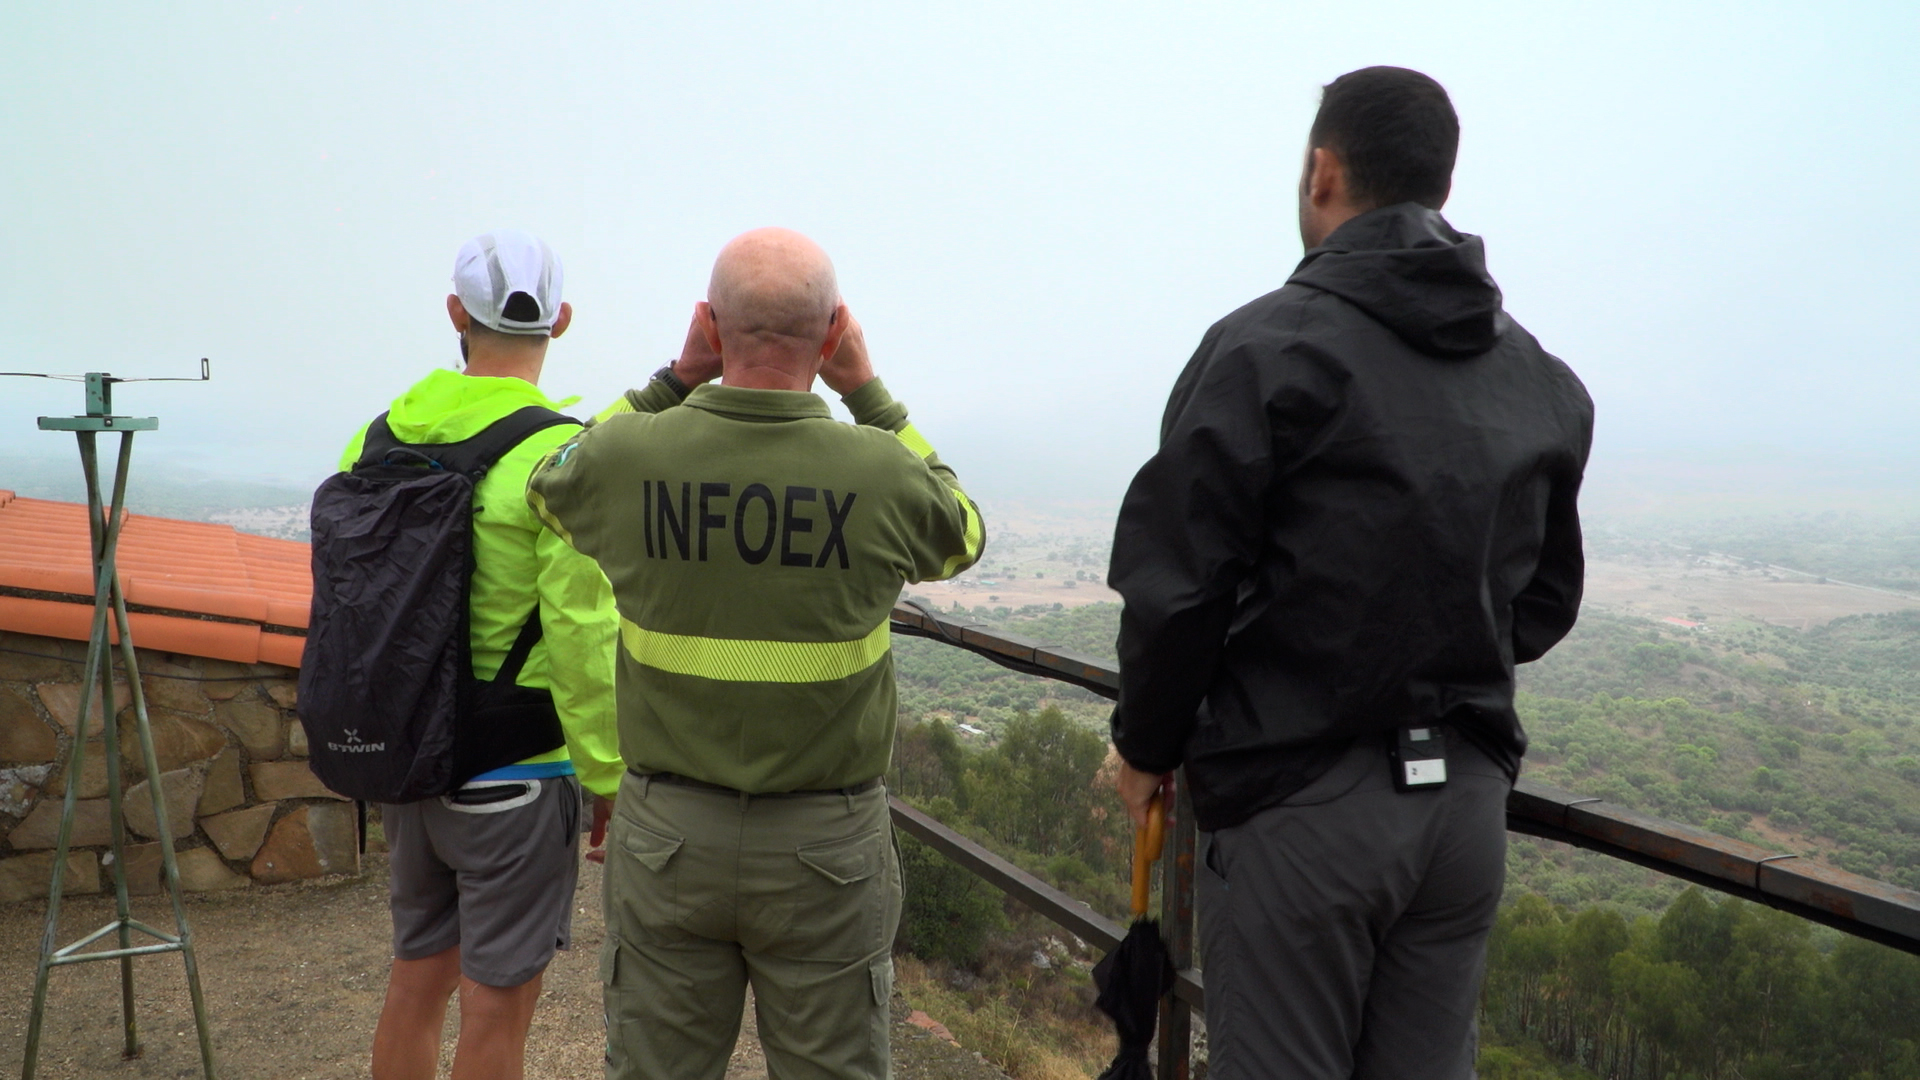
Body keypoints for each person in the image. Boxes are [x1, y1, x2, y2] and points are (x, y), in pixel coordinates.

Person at [1107, 67, 1594, 1080]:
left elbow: (1180, 587)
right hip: (1462, 812)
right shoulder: (1540, 377)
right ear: (1441, 186)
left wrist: (1145, 747)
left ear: (1323, 171)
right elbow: (1542, 605)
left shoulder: (1263, 350)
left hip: (1300, 810)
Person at [526, 227, 984, 1080]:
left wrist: (673, 378)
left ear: (708, 323)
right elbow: (962, 531)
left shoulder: (630, 456)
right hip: (827, 849)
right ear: (835, 330)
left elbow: (548, 480)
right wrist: (872, 395)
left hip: (667, 839)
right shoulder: (879, 471)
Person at [345, 231, 626, 1080]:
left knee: (416, 980)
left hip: (411, 762)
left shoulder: (380, 438)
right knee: (498, 1008)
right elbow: (583, 635)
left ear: (456, 314)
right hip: (520, 773)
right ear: (563, 321)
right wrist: (605, 777)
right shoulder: (557, 457)